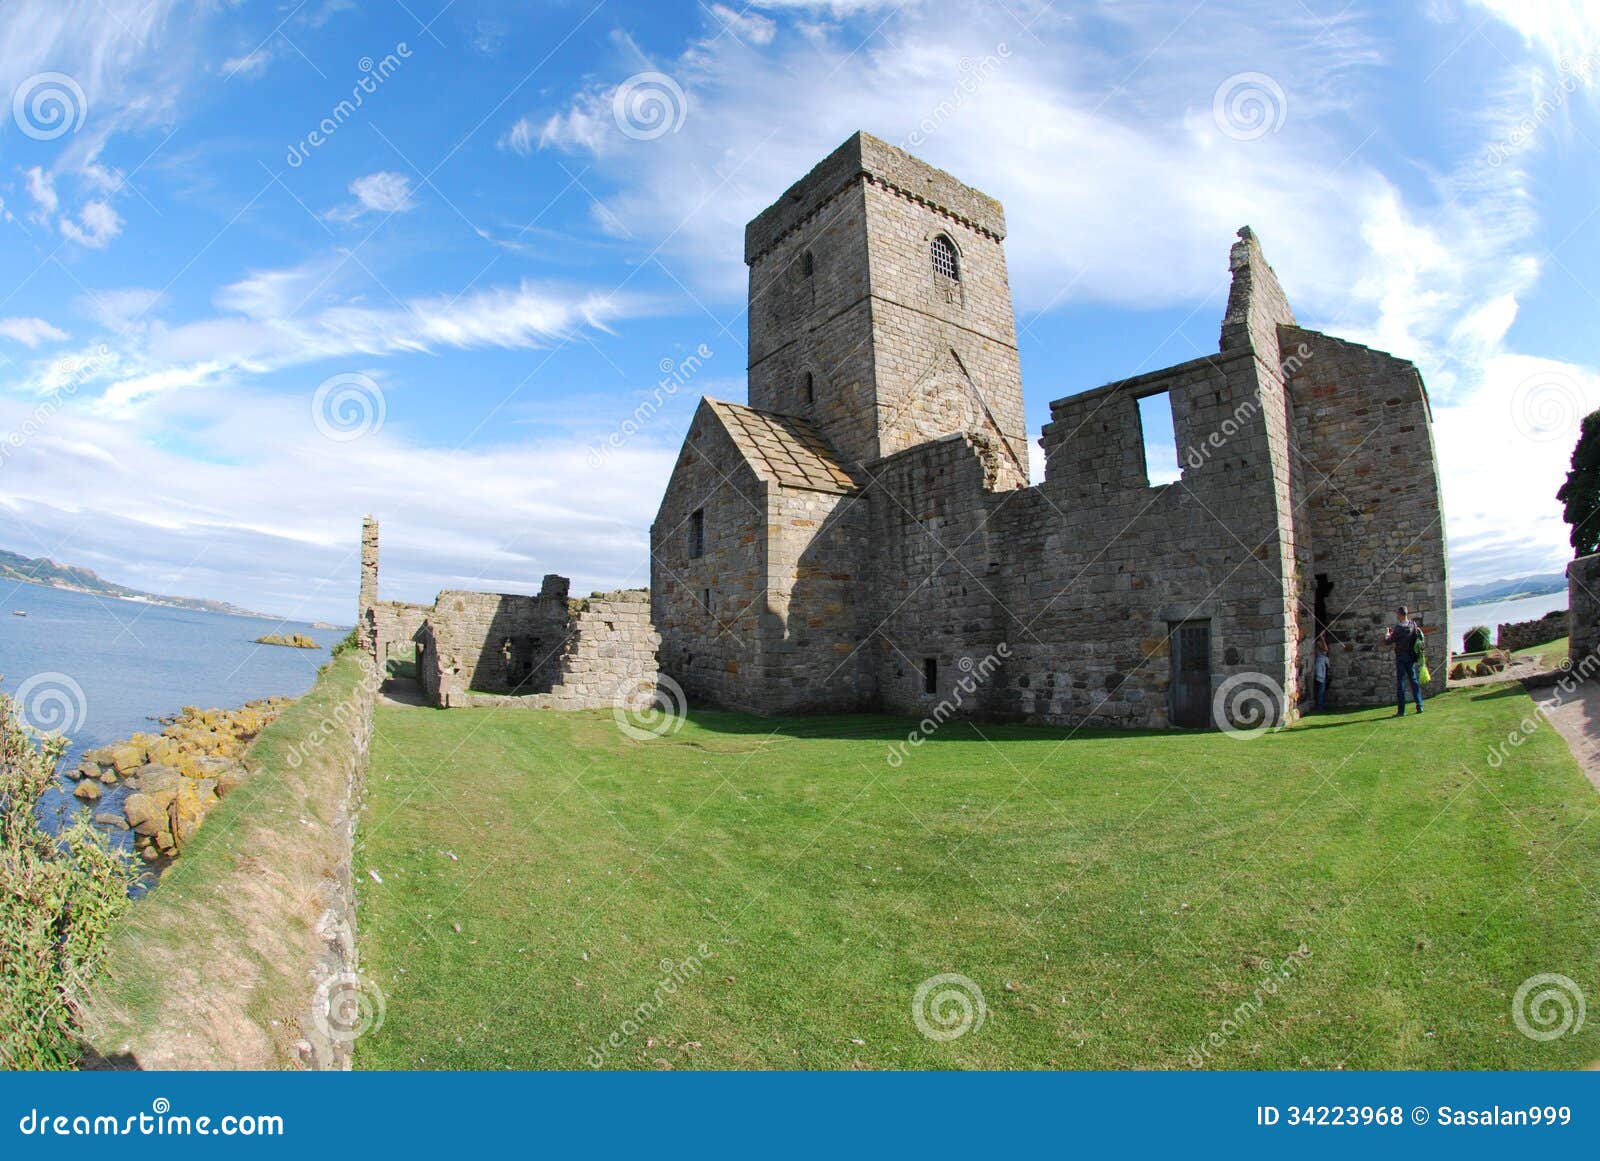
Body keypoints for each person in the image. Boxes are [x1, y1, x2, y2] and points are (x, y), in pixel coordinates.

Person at [1386, 606, 1424, 716]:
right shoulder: (1413, 625)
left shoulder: (1398, 628)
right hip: (1411, 657)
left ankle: (1401, 711)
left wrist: (1387, 634)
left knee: (1401, 684)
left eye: (1397, 614)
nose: (1397, 616)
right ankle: (1419, 706)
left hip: (1401, 658)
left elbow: (1388, 641)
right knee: (1414, 681)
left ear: (1401, 615)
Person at [1314, 636, 1330, 711]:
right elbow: (1326, 649)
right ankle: (1319, 706)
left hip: (1323, 665)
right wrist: (1322, 638)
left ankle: (1321, 705)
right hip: (1320, 666)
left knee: (1323, 688)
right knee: (1321, 688)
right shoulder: (1318, 643)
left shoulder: (1321, 643)